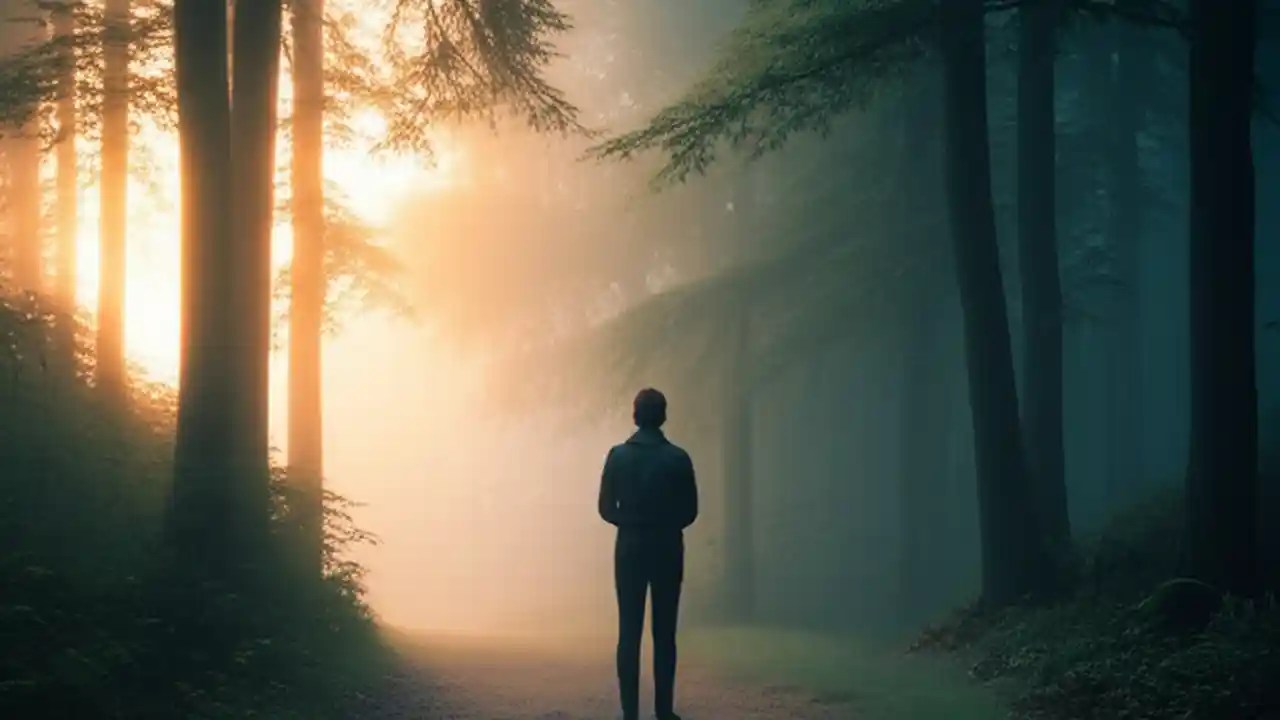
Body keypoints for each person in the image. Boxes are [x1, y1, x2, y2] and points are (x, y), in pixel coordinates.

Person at [598, 388, 698, 720]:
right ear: (664, 415)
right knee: (664, 632)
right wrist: (664, 524)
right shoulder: (678, 458)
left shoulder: (617, 456)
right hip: (668, 547)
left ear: (635, 415)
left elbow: (604, 509)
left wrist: (631, 522)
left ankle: (630, 713)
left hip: (629, 548)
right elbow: (690, 512)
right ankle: (664, 711)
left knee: (629, 630)